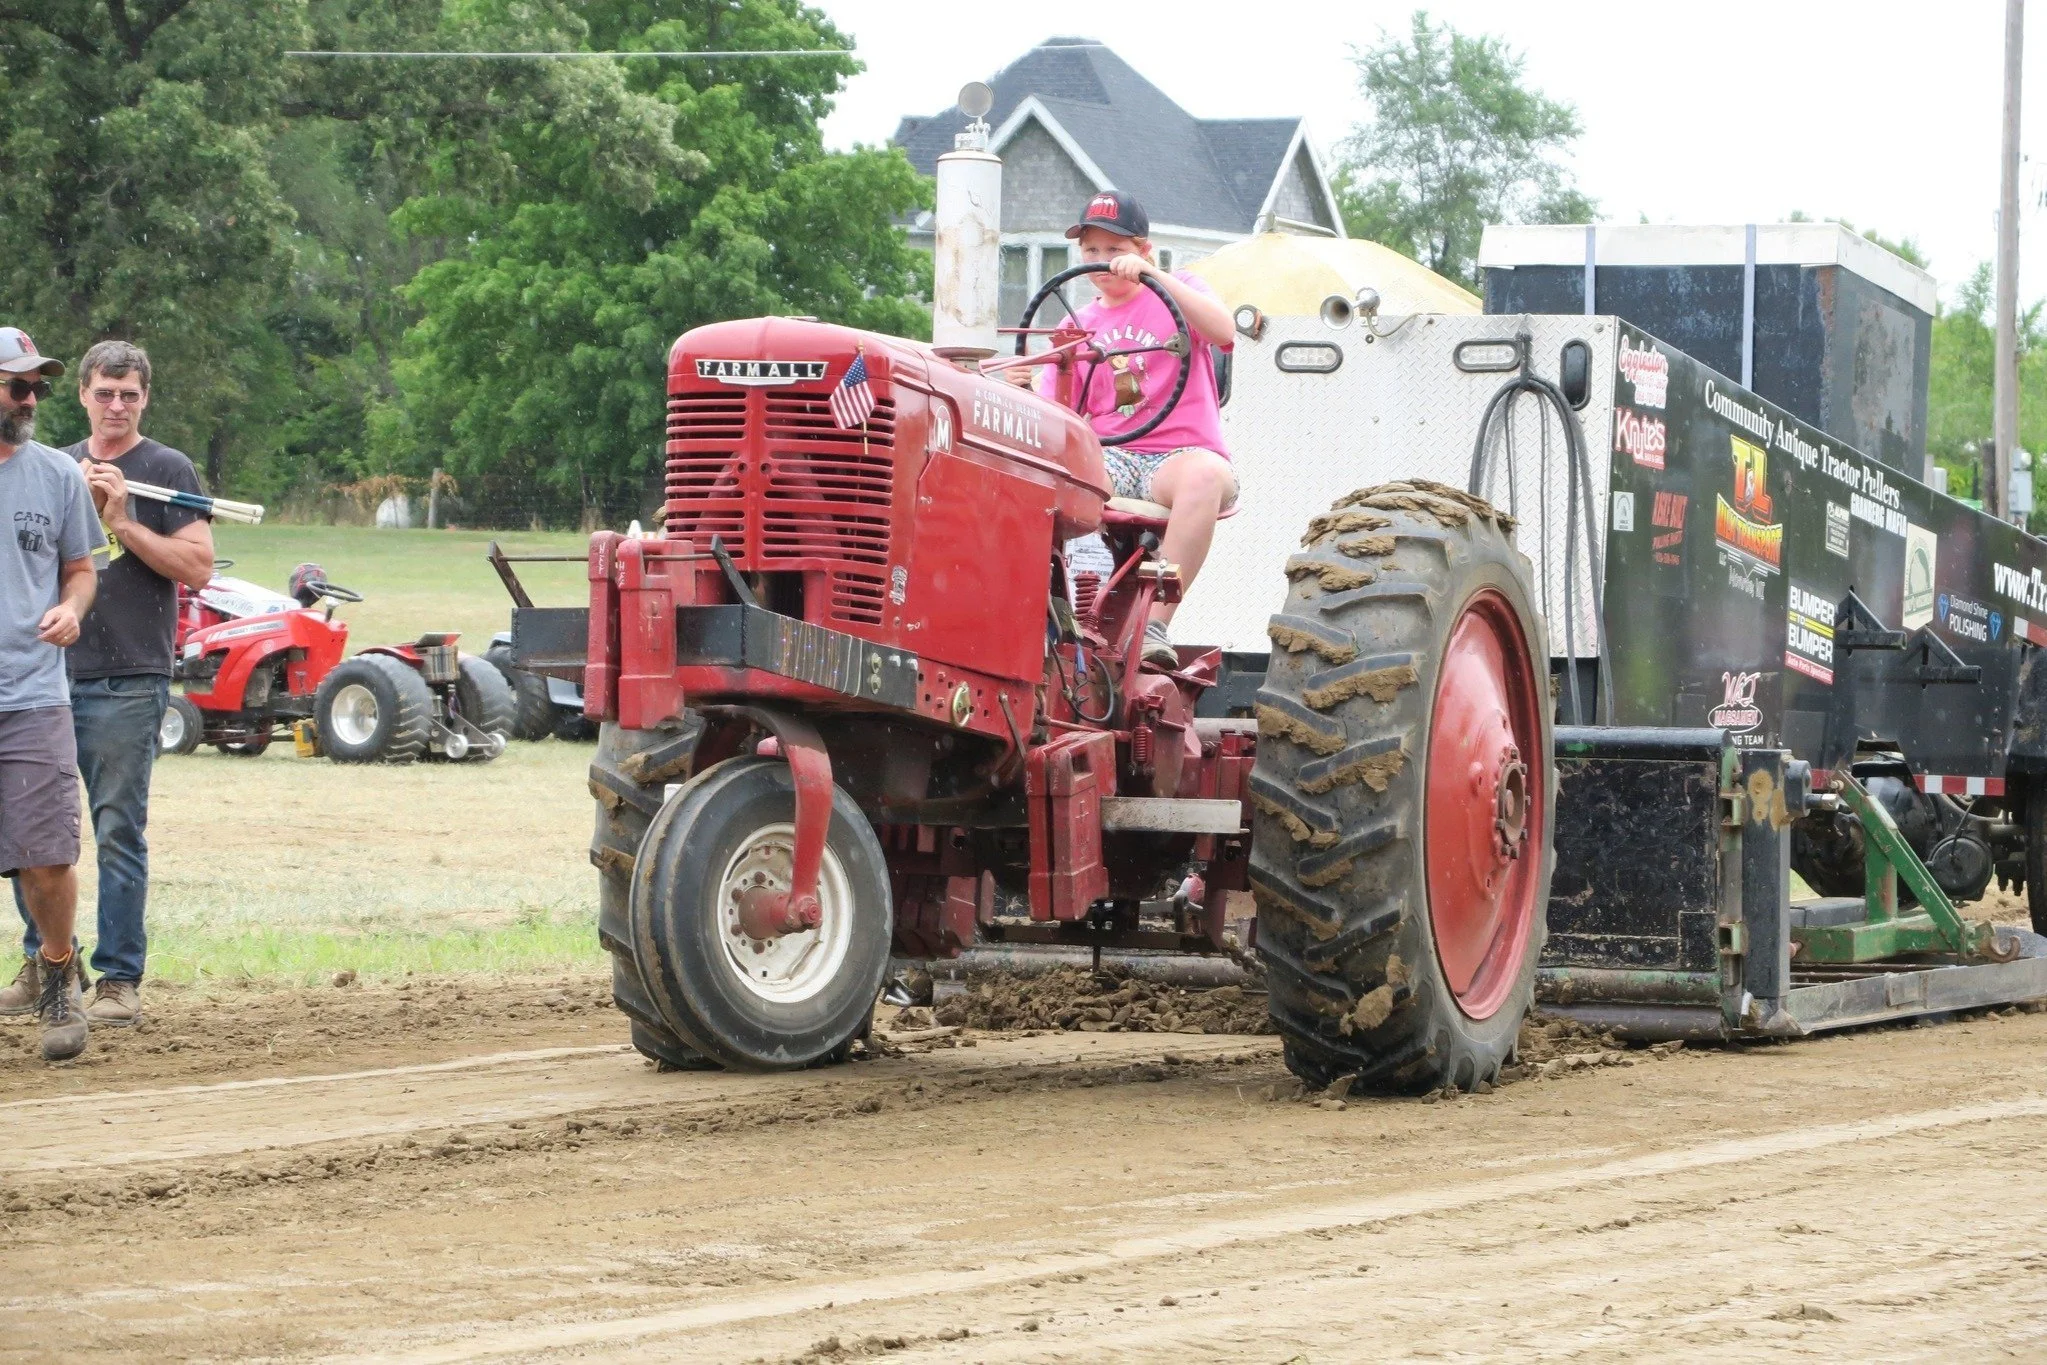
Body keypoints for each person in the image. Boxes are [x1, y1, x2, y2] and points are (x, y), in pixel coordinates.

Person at [6, 340, 212, 1029]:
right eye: (104, 392)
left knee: (117, 826)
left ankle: (119, 977)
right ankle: (46, 963)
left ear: (145, 397)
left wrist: (121, 520)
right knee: (30, 836)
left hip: (129, 671)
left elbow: (199, 568)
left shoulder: (166, 469)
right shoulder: (53, 466)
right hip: (44, 675)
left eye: (129, 393)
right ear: (84, 395)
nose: (116, 405)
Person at [1029, 191, 1239, 668]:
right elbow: (1053, 414)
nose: (1101, 262)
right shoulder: (1076, 325)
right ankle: (1062, 614)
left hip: (1179, 453)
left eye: (1115, 250)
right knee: (1050, 479)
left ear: (1143, 250)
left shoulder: (1177, 291)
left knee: (1205, 478)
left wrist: (1154, 277)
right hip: (1113, 456)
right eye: (1091, 251)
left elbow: (1224, 329)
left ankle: (1156, 626)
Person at [0, 327, 103, 1061]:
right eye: (18, 385)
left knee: (47, 856)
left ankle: (59, 974)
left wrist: (73, 606)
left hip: (33, 693)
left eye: (37, 386)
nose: (31, 398)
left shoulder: (58, 476)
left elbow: (82, 569)